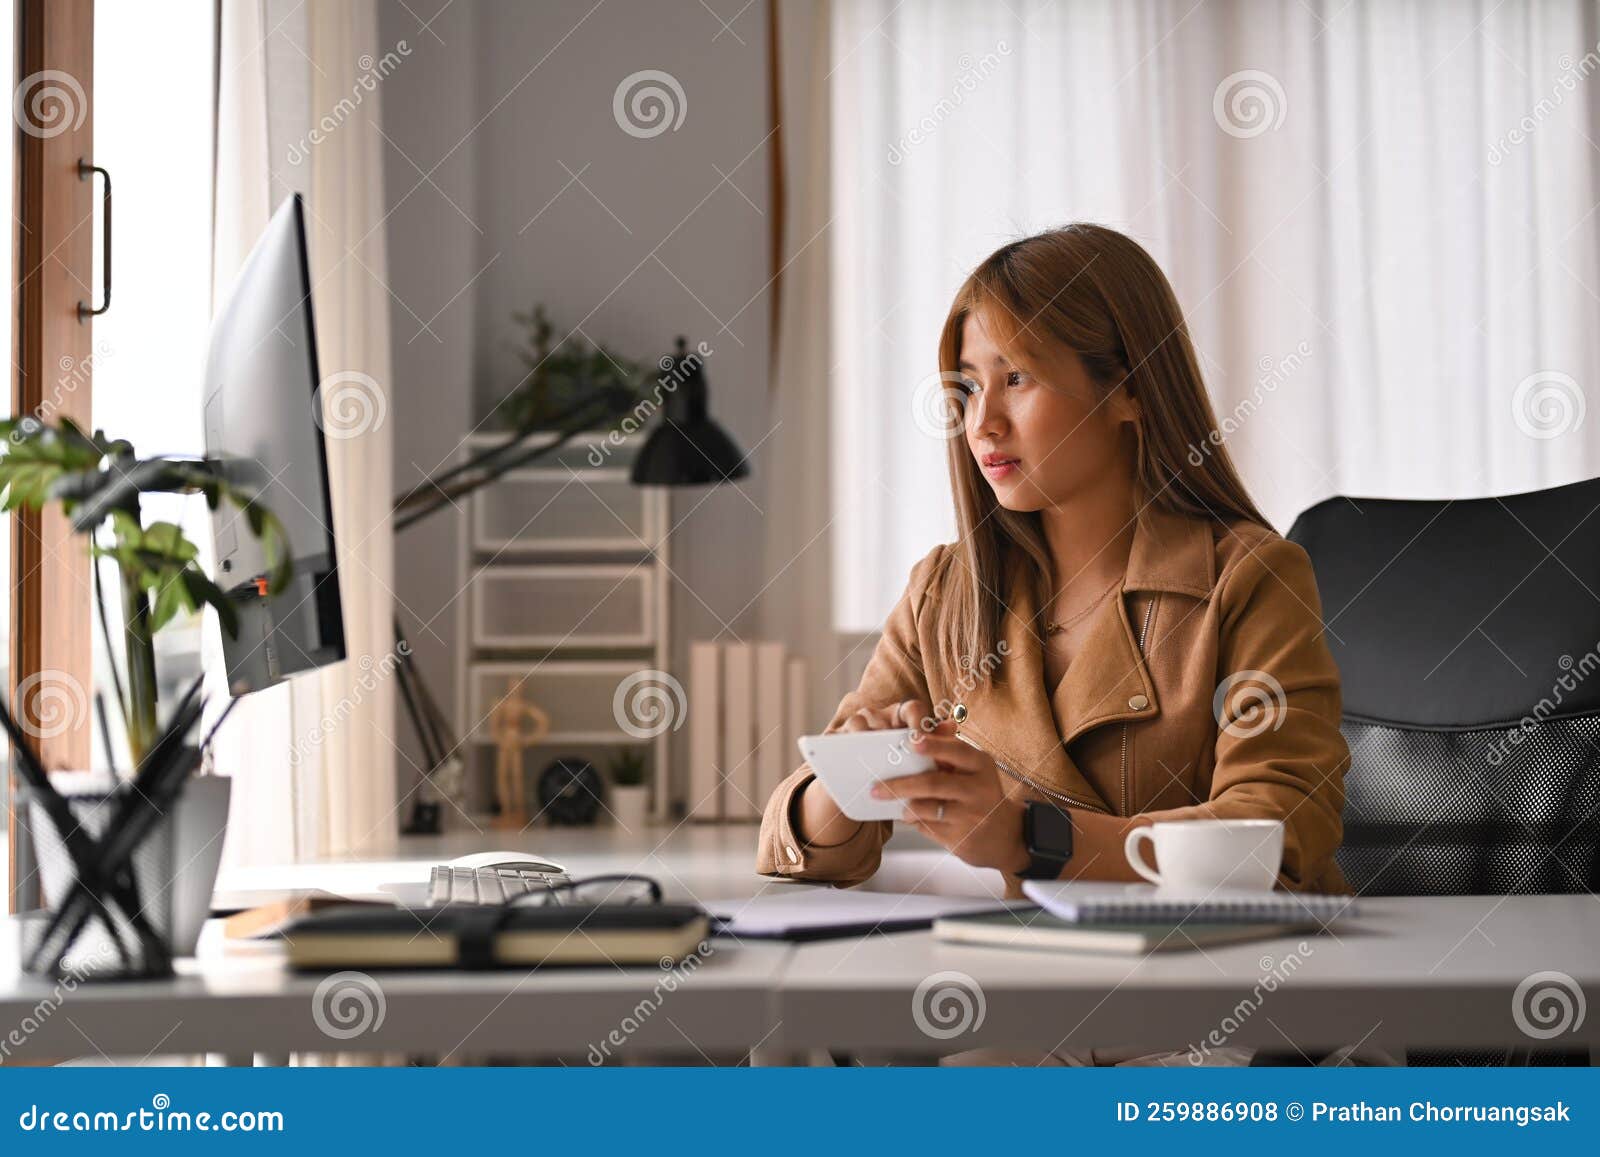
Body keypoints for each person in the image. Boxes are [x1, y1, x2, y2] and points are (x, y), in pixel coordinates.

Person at [756, 223, 1351, 902]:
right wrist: (852, 778)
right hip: (1026, 980)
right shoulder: (944, 593)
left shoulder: (1248, 578)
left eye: (1017, 377)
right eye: (970, 388)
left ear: (1130, 389)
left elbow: (1279, 831)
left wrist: (1028, 837)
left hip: (1223, 979)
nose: (982, 423)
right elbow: (789, 846)